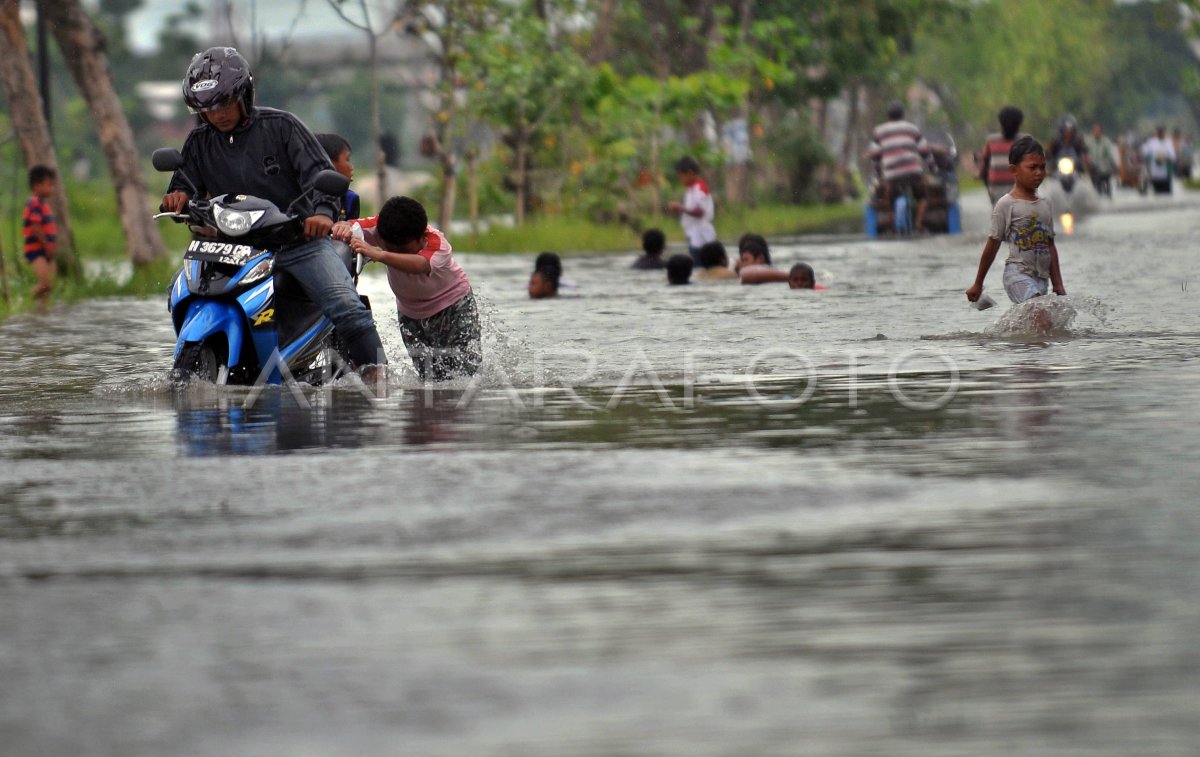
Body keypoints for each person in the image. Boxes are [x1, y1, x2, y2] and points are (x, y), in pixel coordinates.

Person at [160, 47, 387, 382]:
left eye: (223, 104)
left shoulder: (282, 127)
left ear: (244, 95)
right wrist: (177, 198)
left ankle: (378, 379)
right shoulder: (198, 142)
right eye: (207, 108)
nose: (217, 114)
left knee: (345, 306)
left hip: (296, 240)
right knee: (179, 293)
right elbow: (184, 185)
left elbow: (320, 175)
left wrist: (322, 214)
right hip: (229, 246)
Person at [334, 196, 481, 381]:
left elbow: (420, 264)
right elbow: (349, 225)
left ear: (421, 238)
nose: (397, 254)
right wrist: (341, 228)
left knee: (465, 376)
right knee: (428, 378)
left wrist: (379, 254)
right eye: (392, 248)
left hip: (454, 308)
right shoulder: (380, 227)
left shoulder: (437, 243)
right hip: (411, 315)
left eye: (404, 250)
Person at [965, 136, 1066, 318]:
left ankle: (1023, 346)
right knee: (1040, 315)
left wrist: (1057, 283)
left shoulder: (1045, 204)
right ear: (1014, 170)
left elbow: (1050, 245)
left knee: (1042, 325)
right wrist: (978, 283)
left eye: (1042, 167)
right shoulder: (1006, 205)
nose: (1039, 173)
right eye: (1032, 168)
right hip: (1017, 275)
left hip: (1041, 279)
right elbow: (992, 245)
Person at [867, 101, 930, 231]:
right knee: (922, 197)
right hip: (913, 172)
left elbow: (874, 155)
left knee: (888, 197)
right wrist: (932, 166)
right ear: (903, 115)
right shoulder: (912, 129)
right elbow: (924, 151)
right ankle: (918, 222)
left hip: (892, 174)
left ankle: (892, 218)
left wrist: (878, 173)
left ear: (887, 115)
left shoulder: (879, 131)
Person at [666, 156, 716, 262]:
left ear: (690, 173)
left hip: (702, 238)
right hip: (694, 236)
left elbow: (700, 212)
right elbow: (690, 211)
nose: (681, 180)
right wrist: (679, 210)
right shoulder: (691, 189)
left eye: (681, 177)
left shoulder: (700, 188)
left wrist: (681, 208)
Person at [22, 165, 58, 300]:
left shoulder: (43, 203)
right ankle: (25, 300)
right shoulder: (35, 203)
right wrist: (46, 244)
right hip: (36, 250)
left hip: (46, 250)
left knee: (50, 286)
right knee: (44, 284)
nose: (52, 189)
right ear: (37, 185)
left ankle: (42, 311)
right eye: (49, 185)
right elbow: (35, 227)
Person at [977, 106, 1024, 206]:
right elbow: (985, 164)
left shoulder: (1025, 141)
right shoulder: (991, 141)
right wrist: (987, 187)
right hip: (997, 189)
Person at [316, 132, 360, 221]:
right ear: (328, 163)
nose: (351, 166)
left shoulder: (350, 199)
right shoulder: (301, 199)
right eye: (347, 159)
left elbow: (353, 230)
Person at [1083, 124, 1118, 197]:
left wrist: (1114, 165)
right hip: (1093, 164)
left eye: (1098, 131)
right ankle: (1095, 190)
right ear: (1092, 132)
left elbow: (1110, 155)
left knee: (1107, 175)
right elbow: (1085, 152)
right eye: (1095, 131)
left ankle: (1108, 192)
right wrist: (1086, 159)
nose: (1096, 133)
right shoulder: (1089, 141)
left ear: (1101, 132)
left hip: (1104, 165)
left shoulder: (1106, 141)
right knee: (1092, 174)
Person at [1142, 125, 1177, 195]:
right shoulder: (1151, 143)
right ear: (1156, 132)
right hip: (1155, 175)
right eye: (1158, 132)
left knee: (1167, 195)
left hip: (1166, 175)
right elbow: (1146, 157)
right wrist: (1146, 172)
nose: (1160, 133)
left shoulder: (1168, 143)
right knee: (1157, 195)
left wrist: (1164, 158)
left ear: (1164, 132)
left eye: (1161, 132)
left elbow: (1173, 158)